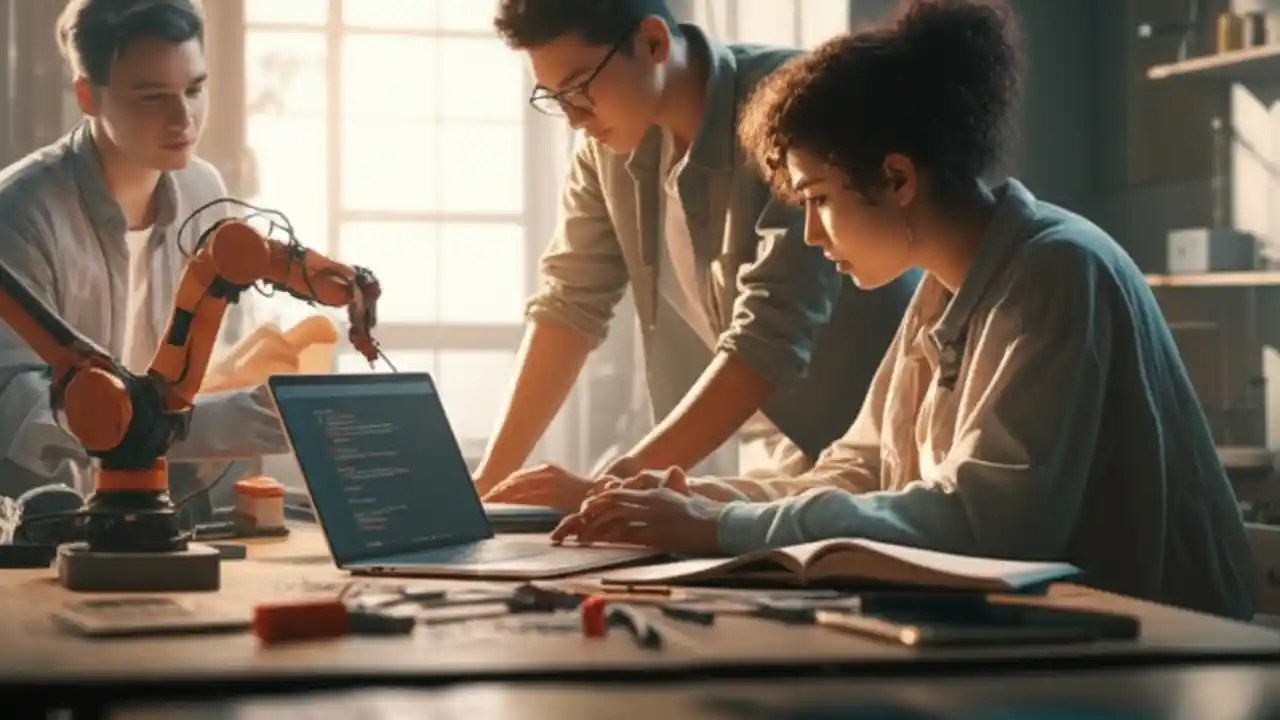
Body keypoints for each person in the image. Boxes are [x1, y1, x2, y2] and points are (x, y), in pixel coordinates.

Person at [552, 0, 1257, 620]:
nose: (811, 234)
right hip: (1058, 634)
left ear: (896, 178)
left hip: (1168, 650)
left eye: (818, 198)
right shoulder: (942, 290)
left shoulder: (1056, 272)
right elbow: (859, 471)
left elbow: (988, 520)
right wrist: (692, 502)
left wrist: (718, 525)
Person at [477, 0, 918, 511]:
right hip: (776, 462)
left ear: (653, 43)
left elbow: (771, 330)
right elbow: (569, 304)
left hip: (887, 446)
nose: (574, 119)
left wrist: (613, 487)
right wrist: (487, 485)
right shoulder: (605, 152)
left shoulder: (791, 104)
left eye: (580, 89)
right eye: (555, 98)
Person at [0, 0, 288, 519]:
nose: (184, 119)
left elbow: (210, 355)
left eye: (195, 90)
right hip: (39, 513)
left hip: (160, 502)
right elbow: (18, 410)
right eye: (152, 97)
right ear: (88, 95)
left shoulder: (205, 191)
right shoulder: (21, 210)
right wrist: (201, 428)